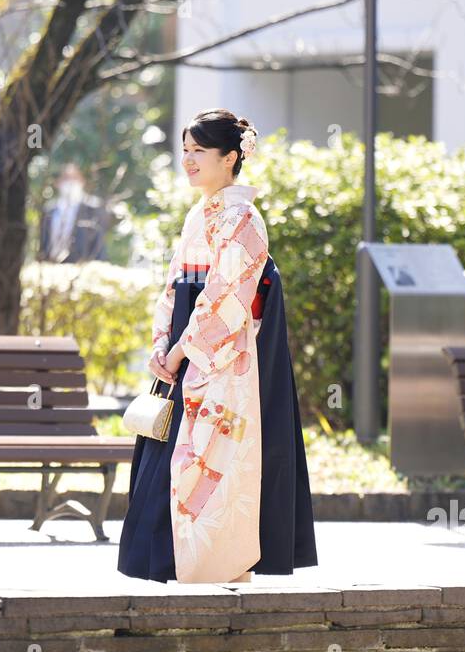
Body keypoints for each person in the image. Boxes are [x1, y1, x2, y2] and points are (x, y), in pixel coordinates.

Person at [117, 108, 318, 585]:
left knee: (212, 455)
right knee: (177, 456)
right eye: (184, 150)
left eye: (199, 152)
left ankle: (217, 562)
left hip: (222, 357)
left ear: (230, 158)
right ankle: (180, 561)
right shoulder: (200, 214)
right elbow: (175, 286)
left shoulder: (244, 218)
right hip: (189, 345)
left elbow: (227, 296)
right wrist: (161, 341)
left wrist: (183, 349)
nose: (188, 160)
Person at [39, 163, 109, 263]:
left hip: (81, 268)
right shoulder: (49, 210)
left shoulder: (93, 209)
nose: (71, 183)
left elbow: (98, 246)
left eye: (75, 178)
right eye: (66, 178)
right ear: (57, 183)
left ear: (82, 181)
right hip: (51, 267)